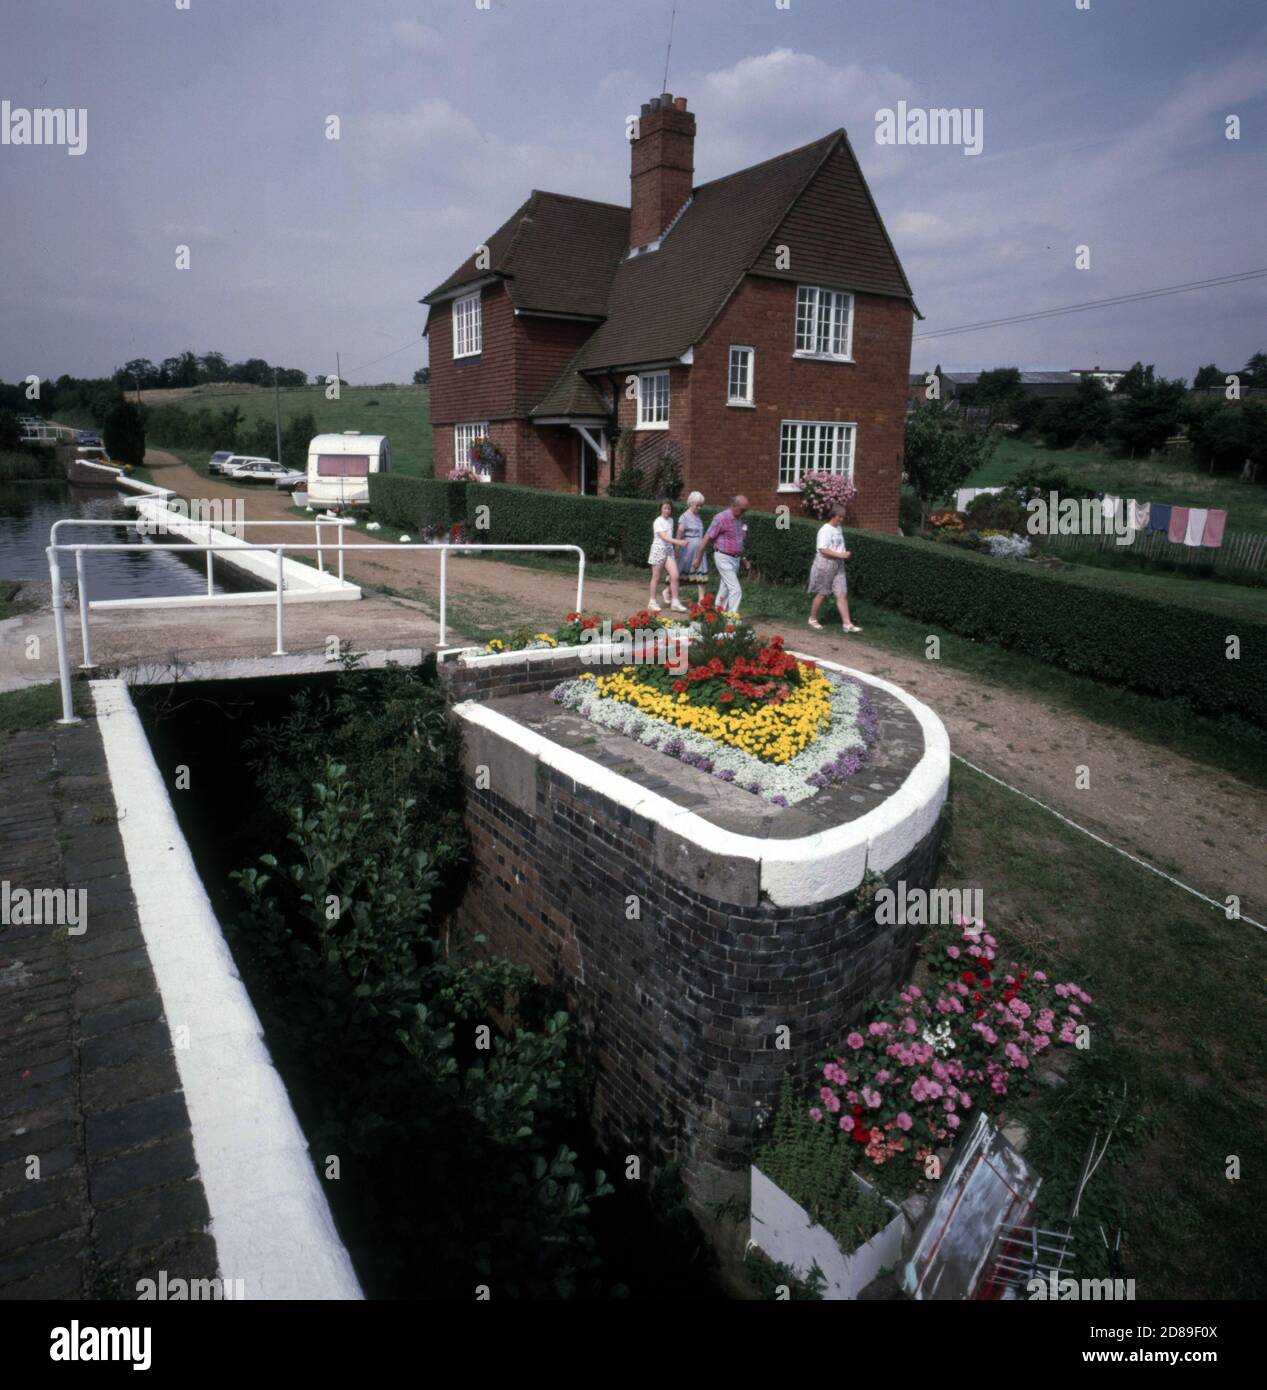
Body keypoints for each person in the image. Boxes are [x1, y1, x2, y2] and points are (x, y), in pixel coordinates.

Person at [807, 507, 861, 632]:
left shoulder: (839, 528)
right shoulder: (825, 530)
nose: (842, 519)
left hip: (838, 564)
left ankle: (847, 624)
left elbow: (837, 546)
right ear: (833, 516)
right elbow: (822, 549)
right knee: (822, 593)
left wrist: (843, 553)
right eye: (839, 517)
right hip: (825, 564)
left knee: (841, 593)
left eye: (843, 517)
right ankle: (812, 618)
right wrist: (841, 555)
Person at [701, 494, 750, 615]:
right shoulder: (721, 518)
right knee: (736, 589)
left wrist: (744, 559)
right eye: (743, 509)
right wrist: (698, 558)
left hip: (735, 559)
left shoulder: (739, 519)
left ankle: (717, 614)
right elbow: (707, 537)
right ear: (734, 506)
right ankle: (731, 620)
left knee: (725, 589)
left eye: (745, 510)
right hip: (723, 557)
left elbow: (738, 542)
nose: (744, 512)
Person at [667, 491, 709, 606]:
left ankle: (701, 600)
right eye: (697, 505)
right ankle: (667, 591)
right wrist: (676, 550)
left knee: (702, 575)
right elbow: (679, 535)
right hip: (687, 551)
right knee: (679, 574)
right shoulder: (684, 517)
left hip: (699, 551)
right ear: (691, 503)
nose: (699, 507)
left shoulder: (698, 517)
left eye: (701, 505)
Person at [647, 499, 688, 611]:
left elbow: (669, 538)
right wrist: (678, 542)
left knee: (675, 575)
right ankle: (652, 601)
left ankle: (675, 602)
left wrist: (675, 548)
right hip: (658, 550)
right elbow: (664, 537)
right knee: (656, 577)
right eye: (665, 508)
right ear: (661, 509)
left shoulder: (671, 520)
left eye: (669, 508)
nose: (667, 510)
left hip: (669, 551)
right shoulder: (657, 521)